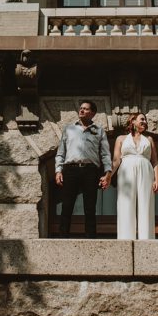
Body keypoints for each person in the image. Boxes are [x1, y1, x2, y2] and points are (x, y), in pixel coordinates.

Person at [55, 100, 113, 236]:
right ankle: (62, 237)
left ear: (92, 113)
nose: (81, 110)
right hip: (70, 170)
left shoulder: (99, 131)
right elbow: (61, 152)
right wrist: (58, 170)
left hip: (90, 170)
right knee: (67, 205)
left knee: (90, 207)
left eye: (86, 109)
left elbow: (105, 154)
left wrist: (108, 173)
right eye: (81, 108)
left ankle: (90, 238)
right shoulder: (69, 129)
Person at [113, 112, 158, 240]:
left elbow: (155, 161)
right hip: (126, 171)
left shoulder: (149, 139)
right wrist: (108, 175)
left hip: (146, 171)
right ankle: (125, 239)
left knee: (145, 204)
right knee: (126, 203)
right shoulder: (121, 139)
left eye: (145, 120)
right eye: (142, 119)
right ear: (133, 121)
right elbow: (116, 160)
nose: (144, 121)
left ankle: (146, 239)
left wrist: (157, 180)